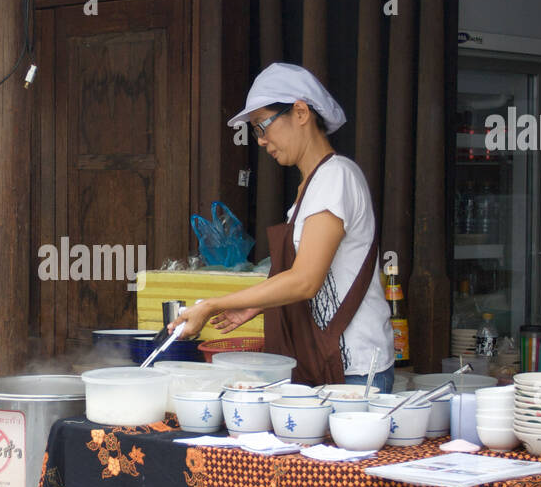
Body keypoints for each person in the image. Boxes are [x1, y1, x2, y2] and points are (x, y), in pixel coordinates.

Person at [169, 63, 395, 392]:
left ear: (300, 112)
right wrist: (255, 304)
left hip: (354, 370)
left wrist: (214, 304)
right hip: (324, 363)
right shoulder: (312, 186)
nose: (260, 141)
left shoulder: (336, 177)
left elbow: (304, 280)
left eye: (262, 126)